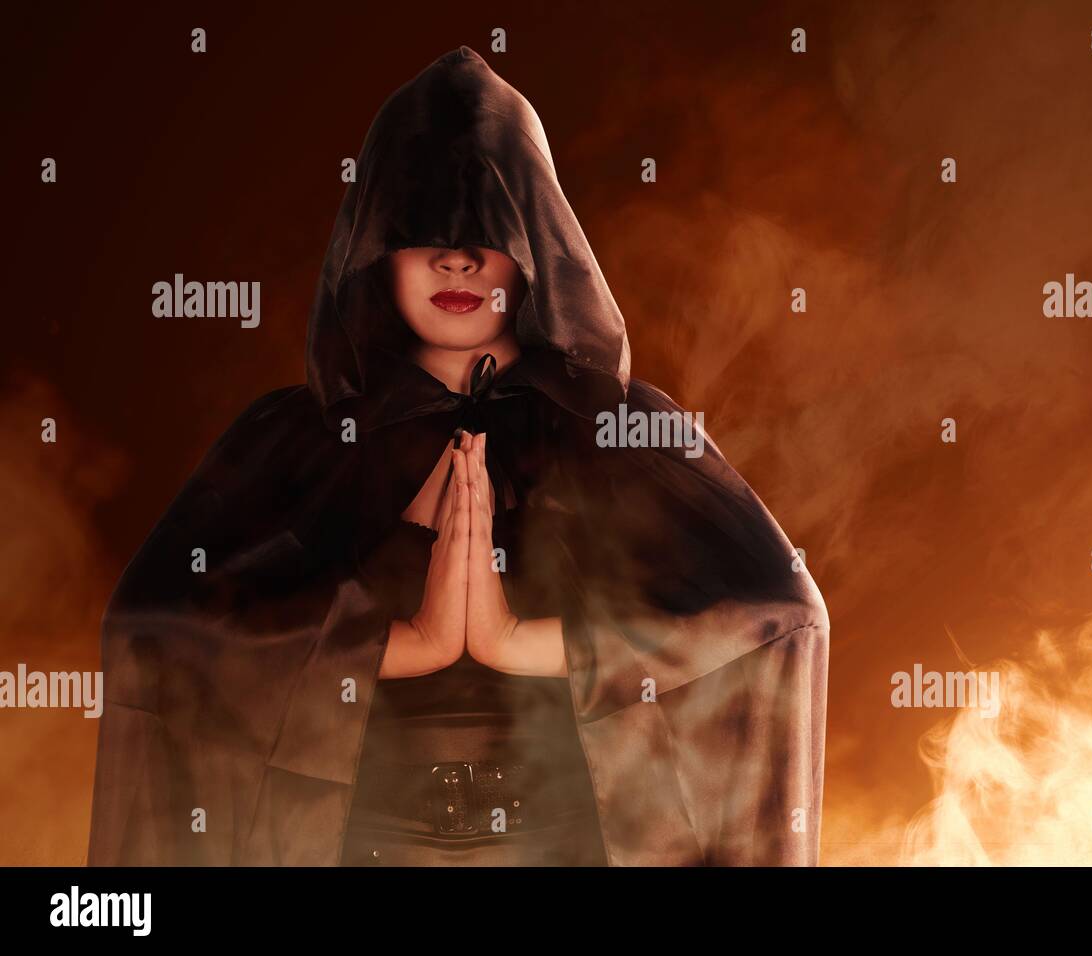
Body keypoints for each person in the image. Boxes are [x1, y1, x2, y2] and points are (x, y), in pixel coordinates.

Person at [87, 45, 829, 867]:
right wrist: (403, 638)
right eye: (422, 230)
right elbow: (157, 641)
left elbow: (776, 623)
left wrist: (526, 641)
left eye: (486, 230)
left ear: (533, 244)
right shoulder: (293, 439)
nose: (457, 259)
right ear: (376, 250)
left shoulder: (622, 433)